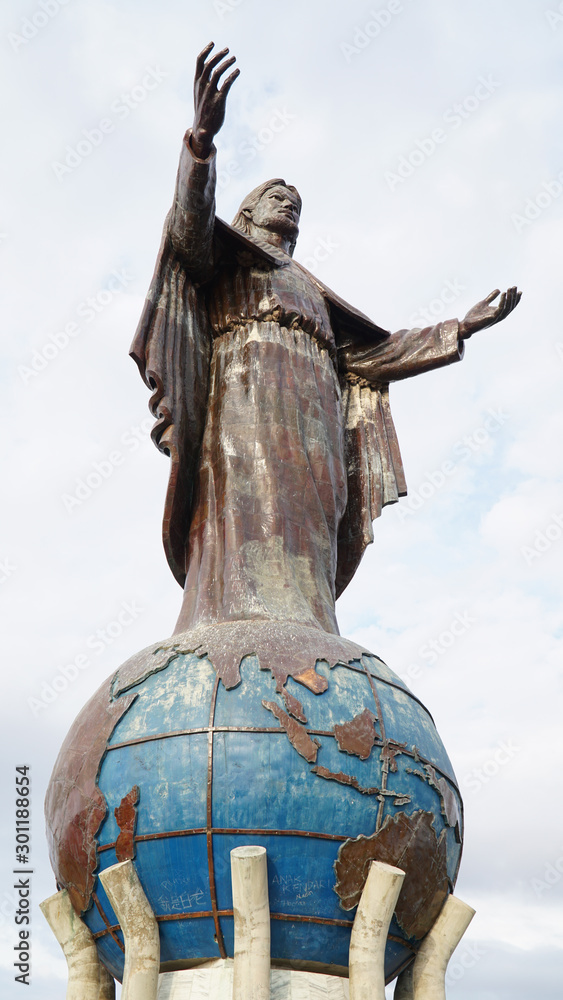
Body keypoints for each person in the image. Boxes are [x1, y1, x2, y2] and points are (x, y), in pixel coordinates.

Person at [131, 43, 521, 637]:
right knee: (248, 503)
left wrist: (458, 328)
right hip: (246, 402)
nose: (288, 203)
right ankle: (233, 618)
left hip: (314, 415)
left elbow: (376, 354)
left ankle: (309, 623)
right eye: (275, 196)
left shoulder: (311, 289)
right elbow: (188, 229)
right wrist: (201, 143)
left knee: (311, 515)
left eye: (296, 203)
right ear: (246, 214)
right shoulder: (226, 260)